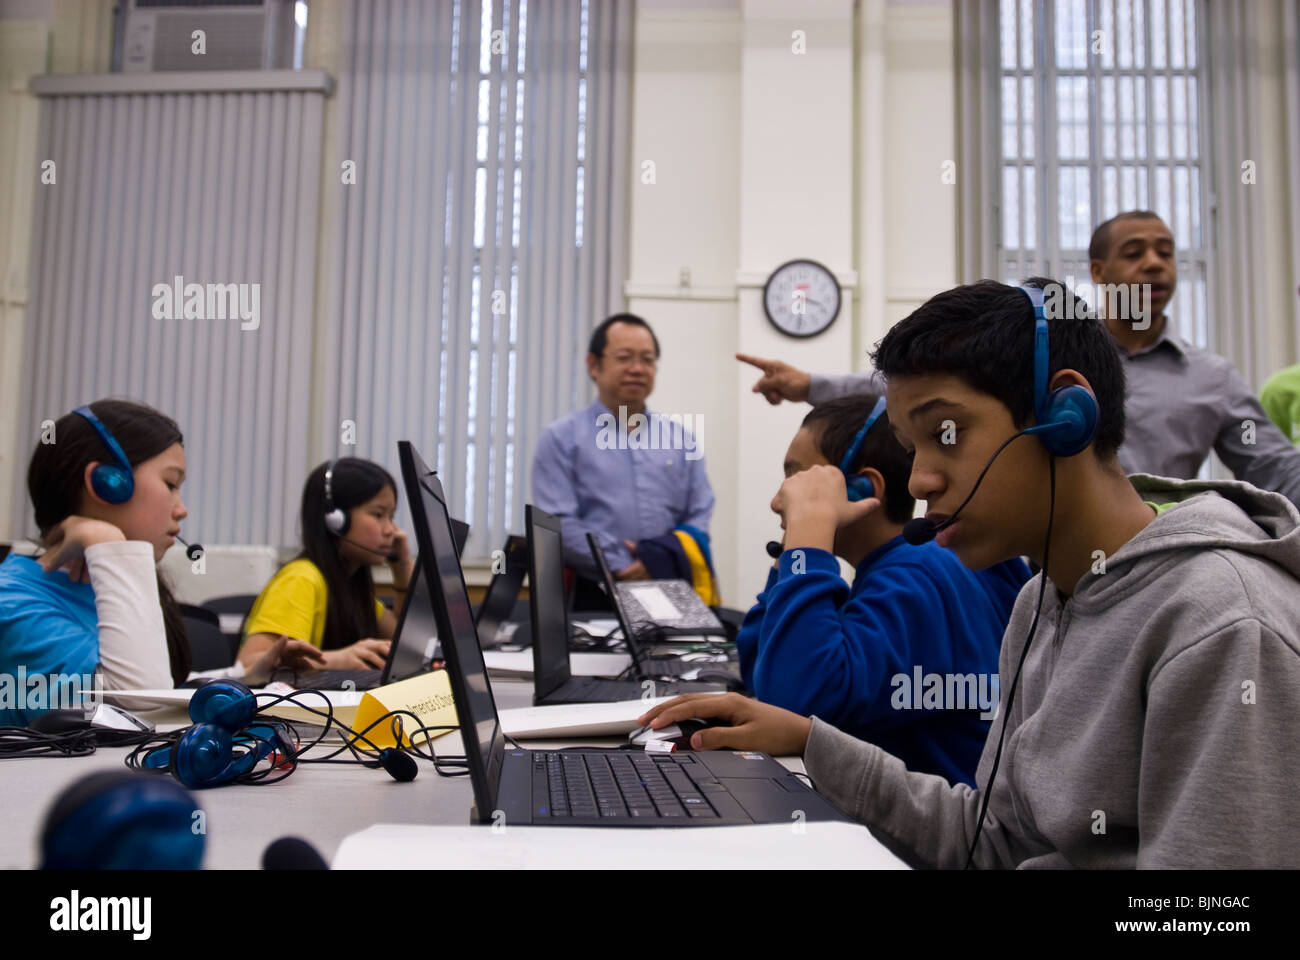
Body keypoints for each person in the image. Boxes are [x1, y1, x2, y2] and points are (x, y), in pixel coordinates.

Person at [642, 279, 1300, 868]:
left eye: (946, 433)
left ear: (1066, 418)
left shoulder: (1223, 624)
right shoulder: (1043, 600)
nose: (922, 479)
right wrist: (813, 745)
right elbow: (992, 840)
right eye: (911, 449)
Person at [740, 211, 1300, 506]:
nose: (1155, 265)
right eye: (1135, 253)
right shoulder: (1040, 348)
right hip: (1038, 558)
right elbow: (920, 395)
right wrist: (808, 384)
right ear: (1099, 273)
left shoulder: (1214, 378)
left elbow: (1276, 470)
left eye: (1166, 253)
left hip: (1156, 570)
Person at [740, 394, 1030, 785]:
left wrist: (808, 539)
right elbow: (762, 674)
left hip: (942, 838)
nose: (779, 501)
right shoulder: (915, 565)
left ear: (862, 489)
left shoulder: (915, 579)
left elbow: (793, 706)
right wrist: (792, 556)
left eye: (799, 480)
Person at [0, 400, 322, 726]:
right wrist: (105, 539)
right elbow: (138, 706)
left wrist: (242, 675)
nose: (182, 509)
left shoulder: (92, 585)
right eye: (170, 484)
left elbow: (147, 684)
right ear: (106, 482)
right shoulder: (14, 602)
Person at [531, 313, 714, 601]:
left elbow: (699, 512)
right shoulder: (560, 438)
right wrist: (622, 564)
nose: (637, 369)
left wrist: (655, 562)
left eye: (647, 359)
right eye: (625, 357)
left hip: (670, 586)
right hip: (594, 589)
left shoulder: (681, 439)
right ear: (594, 365)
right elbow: (558, 521)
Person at [238, 458, 414, 671]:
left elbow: (409, 645)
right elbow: (247, 666)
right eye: (378, 515)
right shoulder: (301, 579)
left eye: (391, 517)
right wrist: (338, 661)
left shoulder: (349, 587)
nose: (391, 530)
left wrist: (402, 567)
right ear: (335, 520)